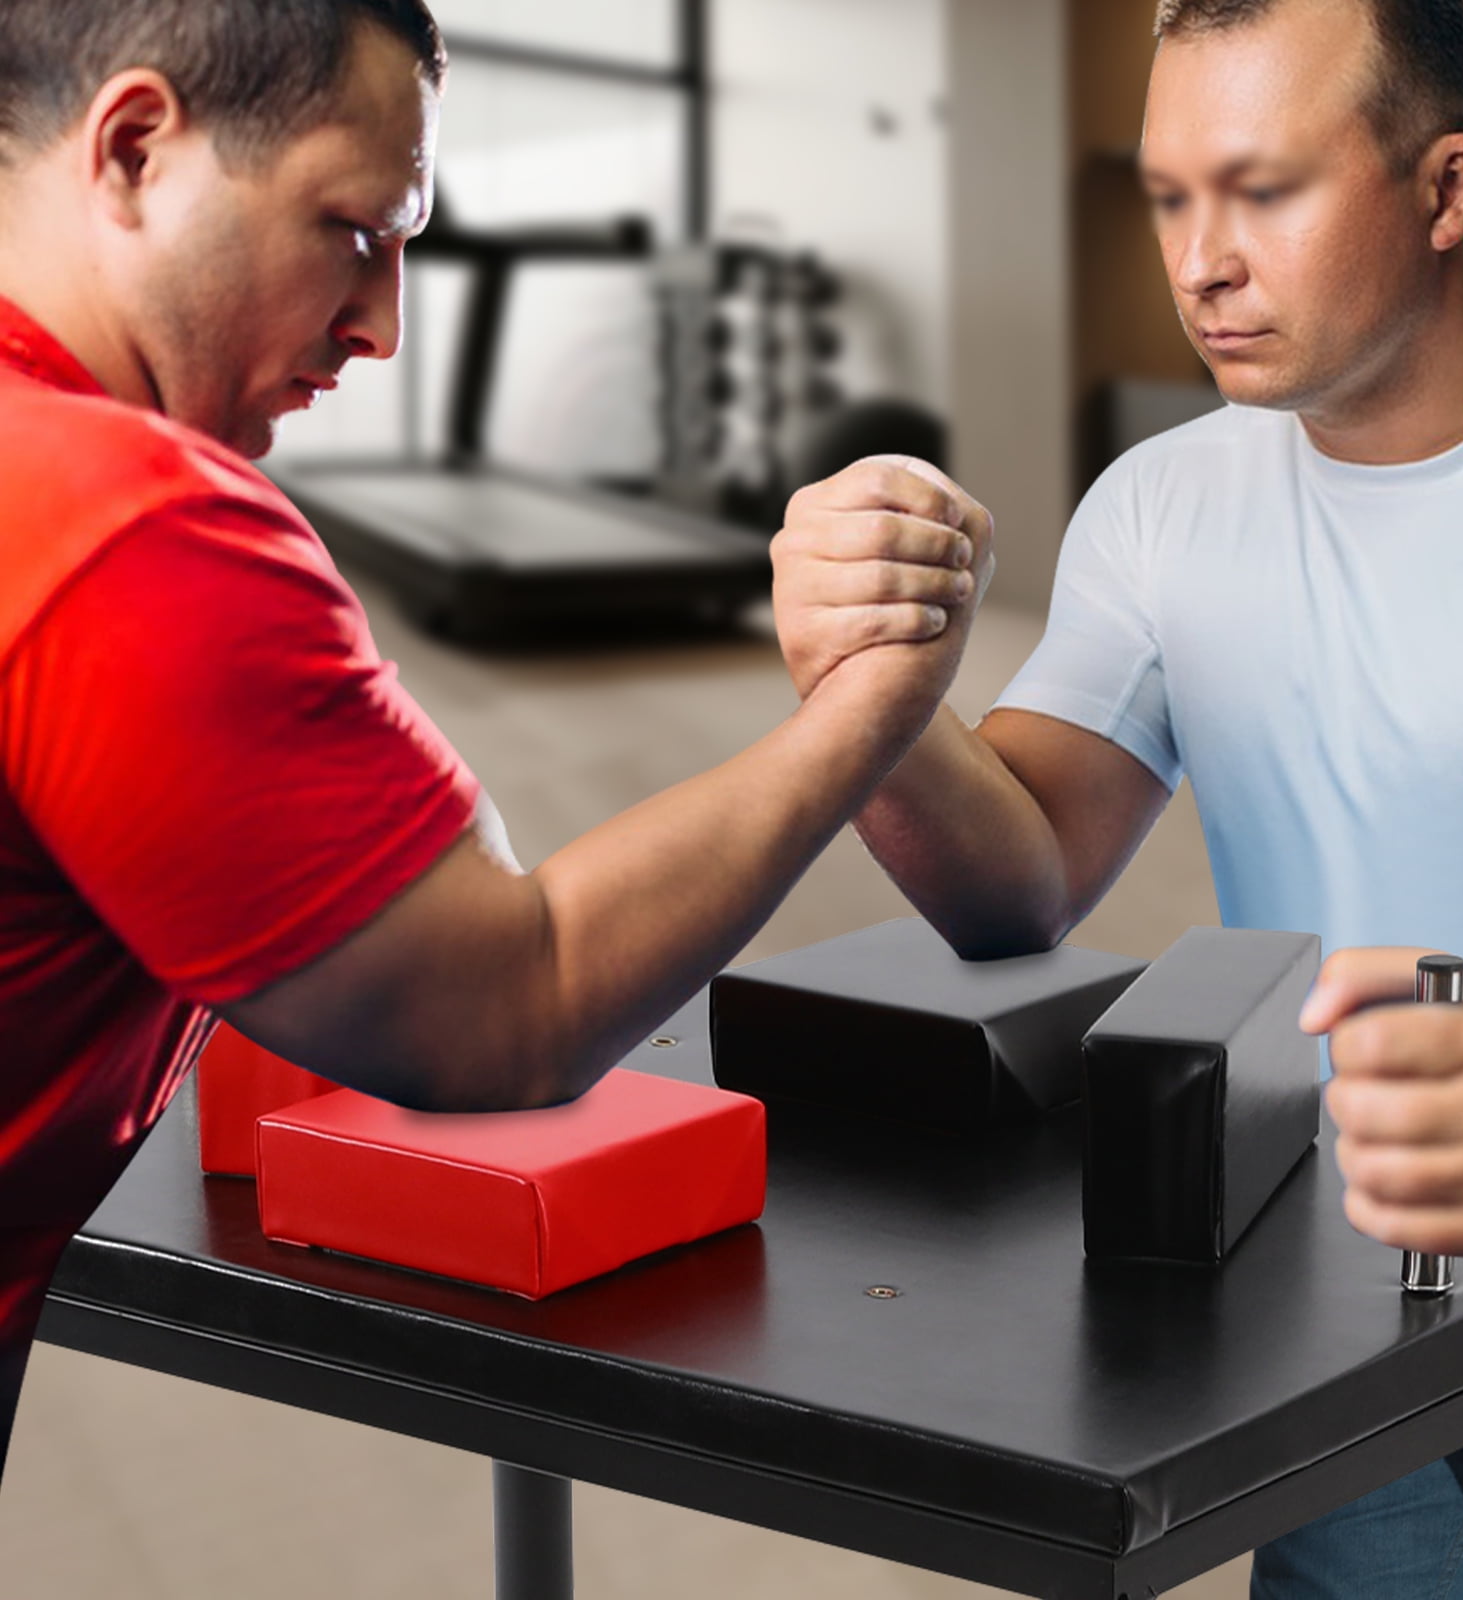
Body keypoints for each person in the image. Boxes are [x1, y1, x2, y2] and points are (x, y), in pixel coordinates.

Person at [0, 0, 993, 1483]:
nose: (381, 326)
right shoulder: (130, 527)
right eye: (353, 228)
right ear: (137, 147)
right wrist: (871, 703)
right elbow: (513, 997)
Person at [770, 0, 1463, 1594]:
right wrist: (870, 687)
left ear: (1450, 190)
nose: (1199, 259)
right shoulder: (1162, 505)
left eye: (1263, 188)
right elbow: (1018, 888)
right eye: (1170, 195)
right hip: (1329, 1306)